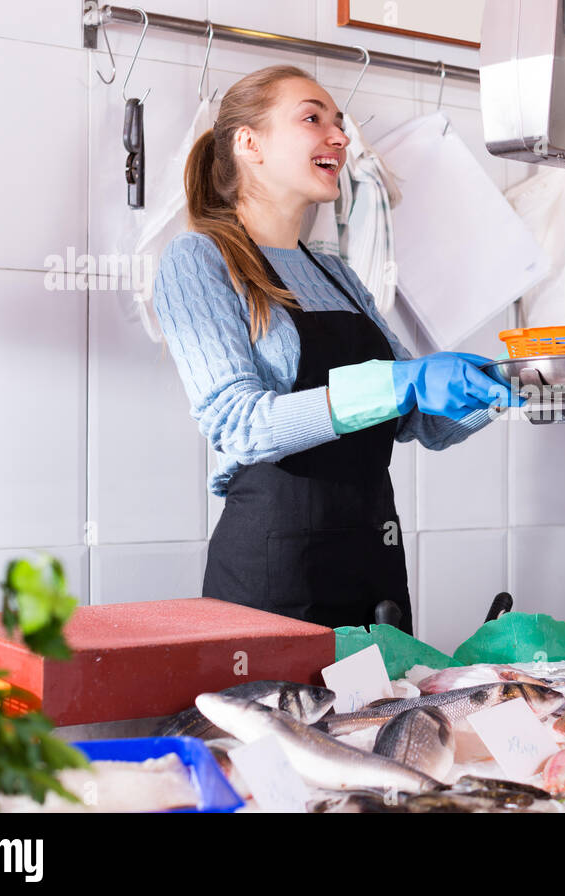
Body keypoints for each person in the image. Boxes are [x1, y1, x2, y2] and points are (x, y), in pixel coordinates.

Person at [153, 66, 516, 631]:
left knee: (379, 719)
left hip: (374, 564)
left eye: (339, 123)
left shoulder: (337, 274)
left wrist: (516, 386)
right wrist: (397, 382)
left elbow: (419, 423)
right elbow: (239, 425)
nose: (340, 137)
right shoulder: (198, 259)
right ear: (249, 143)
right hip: (275, 579)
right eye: (312, 119)